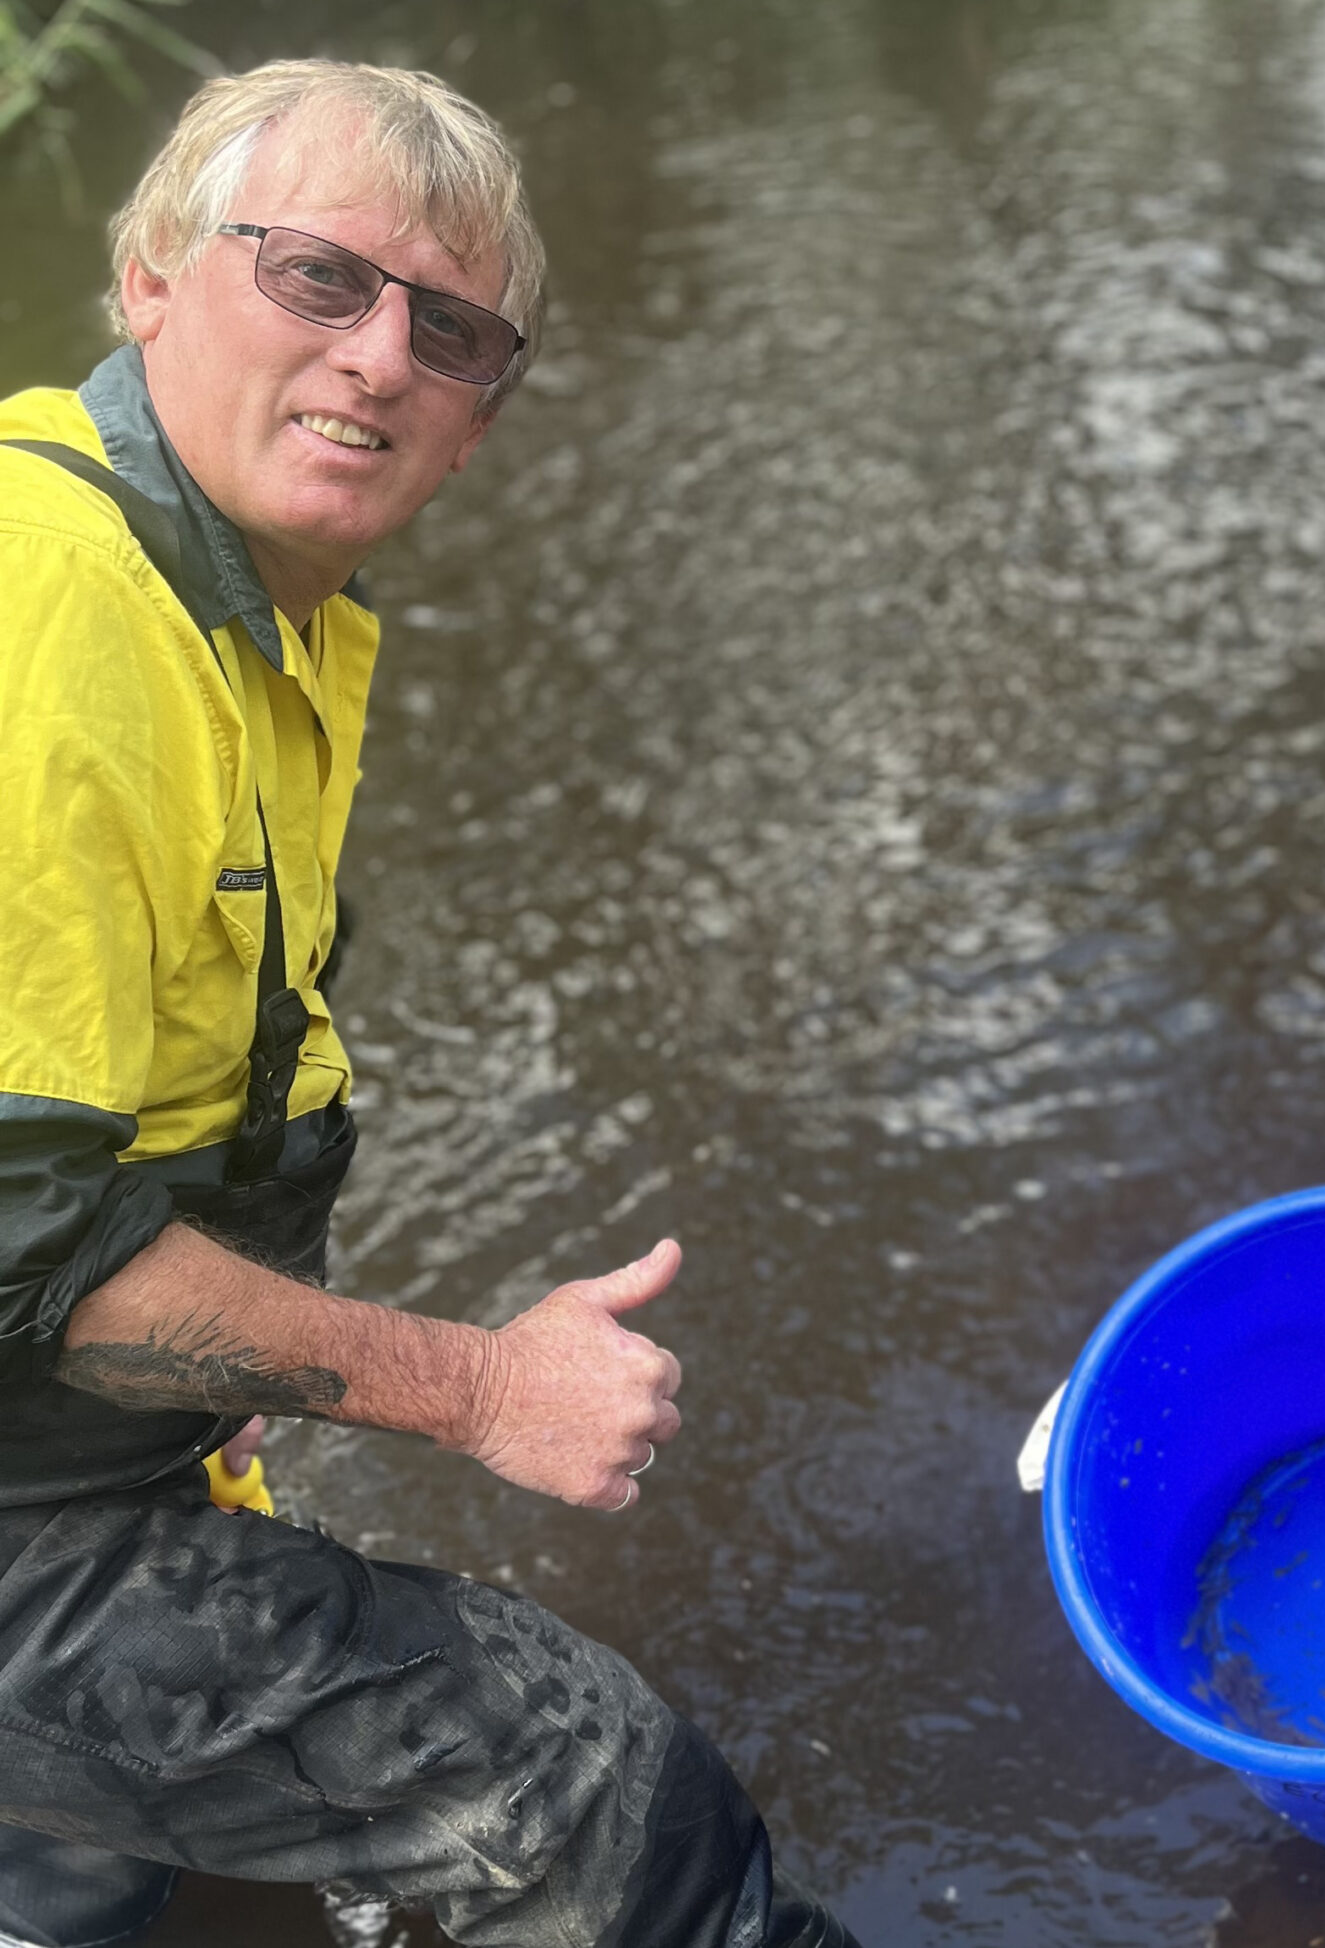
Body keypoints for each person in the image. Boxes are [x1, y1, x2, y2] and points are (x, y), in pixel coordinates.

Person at [0, 59, 854, 1948]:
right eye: (320, 277)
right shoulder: (47, 610)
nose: (381, 355)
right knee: (576, 1789)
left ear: (475, 424)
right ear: (149, 280)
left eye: (450, 330)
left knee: (103, 1877)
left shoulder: (260, 616)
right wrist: (476, 1388)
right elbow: (11, 1242)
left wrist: (189, 1408)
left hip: (60, 1445)